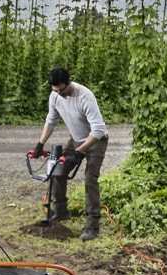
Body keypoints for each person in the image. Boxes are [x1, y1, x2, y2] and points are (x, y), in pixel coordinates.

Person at [30, 66, 109, 240]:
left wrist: (80, 152)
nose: (59, 94)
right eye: (55, 90)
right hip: (76, 139)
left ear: (68, 83)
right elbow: (51, 121)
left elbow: (98, 130)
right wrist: (39, 144)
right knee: (58, 170)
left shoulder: (84, 96)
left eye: (61, 90)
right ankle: (61, 211)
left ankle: (92, 225)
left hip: (96, 141)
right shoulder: (55, 96)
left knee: (90, 179)